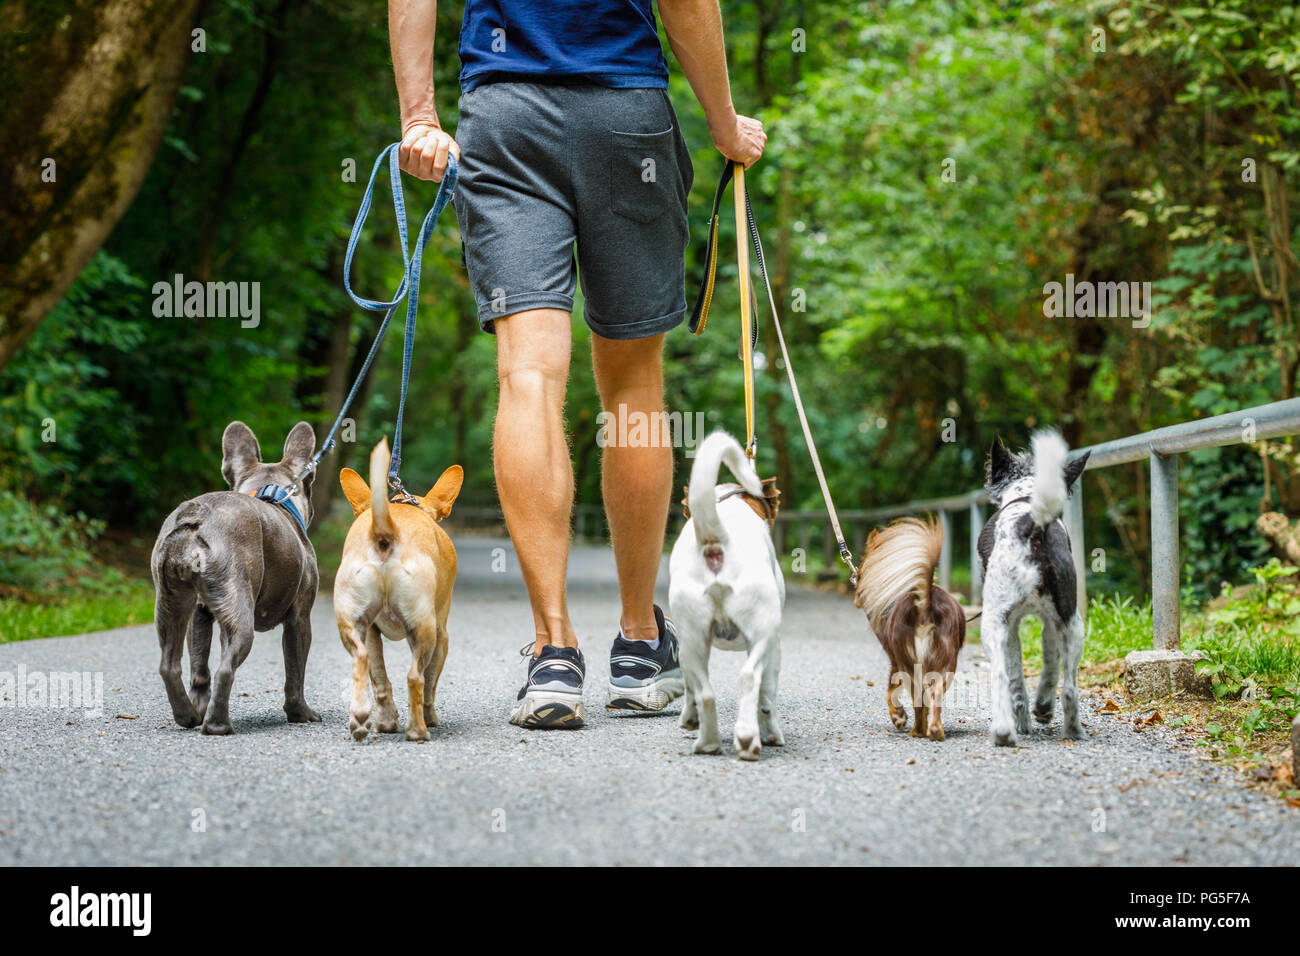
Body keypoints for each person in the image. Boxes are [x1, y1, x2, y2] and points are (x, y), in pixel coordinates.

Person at [389, 0, 766, 728]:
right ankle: (638, 642)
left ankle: (553, 654)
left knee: (527, 378)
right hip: (627, 116)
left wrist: (417, 116)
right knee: (633, 388)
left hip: (505, 117)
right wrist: (723, 123)